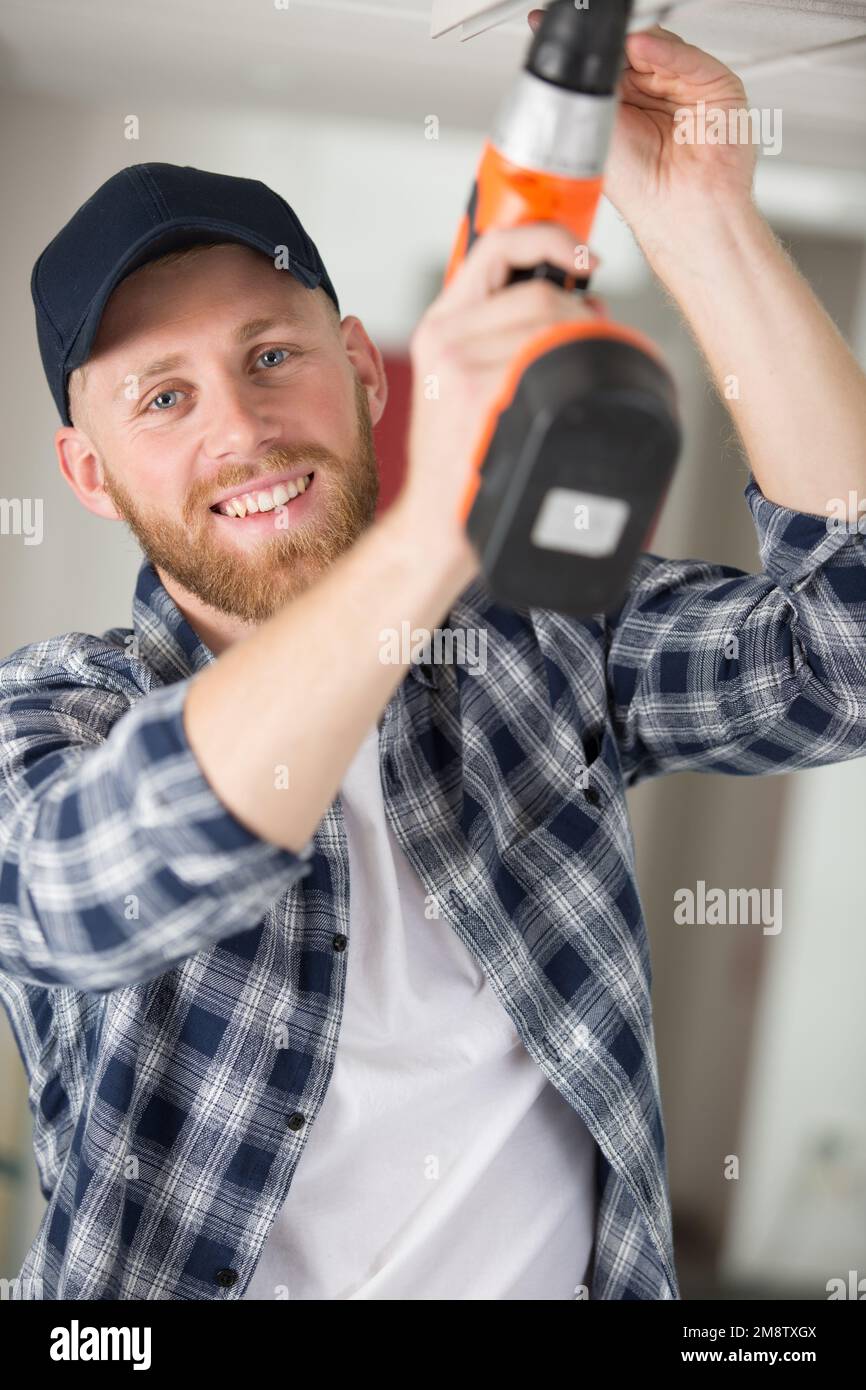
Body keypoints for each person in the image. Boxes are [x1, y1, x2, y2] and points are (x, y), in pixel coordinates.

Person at [1, 21, 865, 1301]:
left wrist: (697, 220)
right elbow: (88, 889)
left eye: (272, 355)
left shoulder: (537, 639)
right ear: (88, 472)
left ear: (360, 369)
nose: (241, 426)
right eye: (163, 398)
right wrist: (440, 525)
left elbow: (839, 656)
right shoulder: (59, 712)